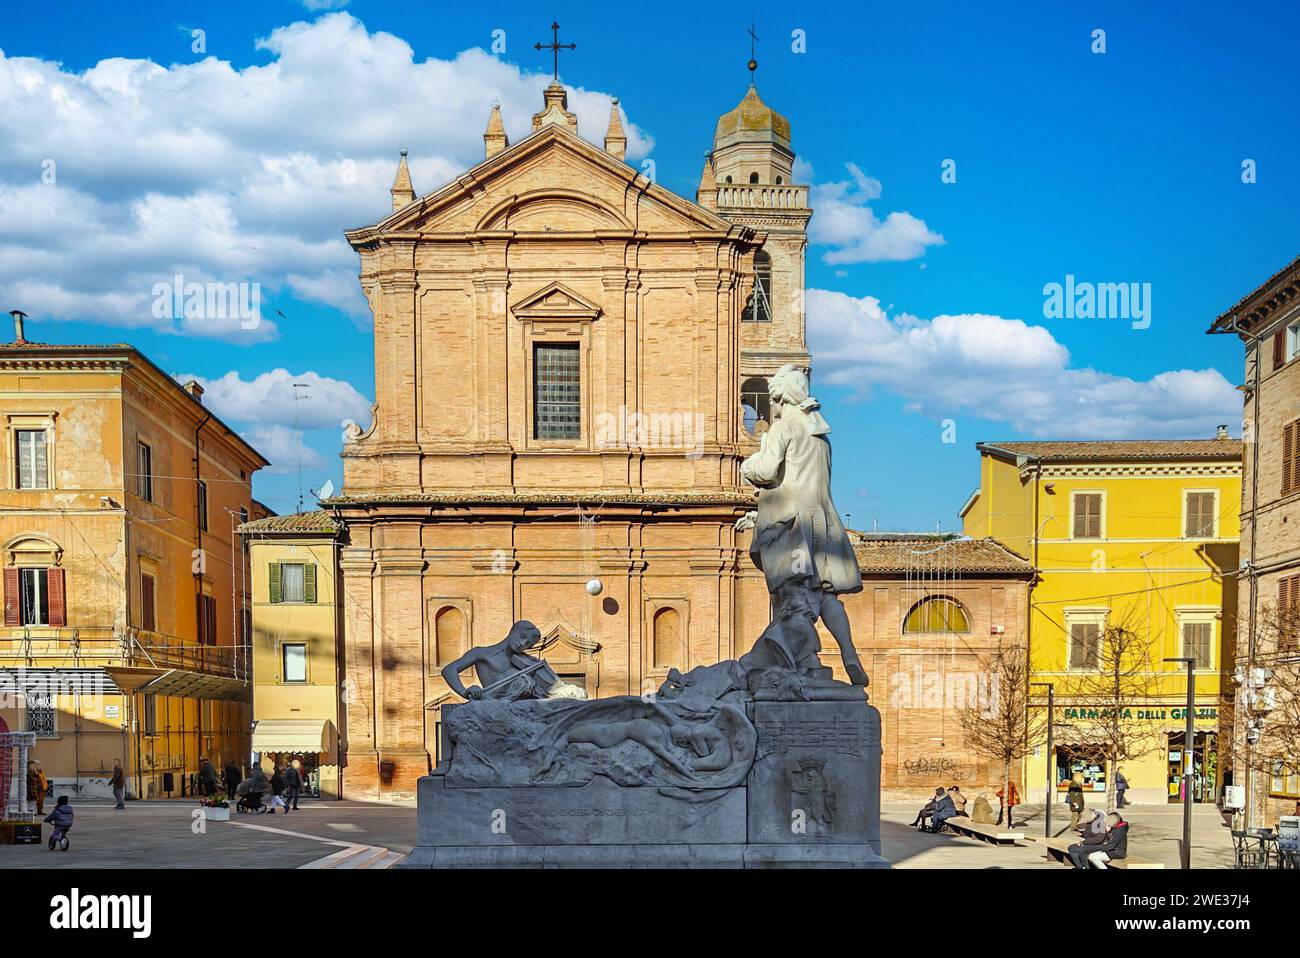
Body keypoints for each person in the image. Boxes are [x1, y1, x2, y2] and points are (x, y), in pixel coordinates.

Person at [737, 365, 867, 686]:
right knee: (824, 595)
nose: (772, 405)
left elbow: (767, 473)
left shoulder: (783, 430)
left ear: (781, 397)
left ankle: (804, 658)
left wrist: (748, 464)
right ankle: (847, 652)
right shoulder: (821, 438)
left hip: (790, 525)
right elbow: (801, 481)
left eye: (772, 399)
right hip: (822, 524)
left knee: (793, 597)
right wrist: (758, 514)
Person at [441, 620, 587, 702]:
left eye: (528, 644)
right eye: (522, 636)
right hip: (495, 698)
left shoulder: (525, 661)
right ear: (513, 630)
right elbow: (449, 670)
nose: (523, 644)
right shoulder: (482, 653)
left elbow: (550, 685)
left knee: (576, 693)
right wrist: (465, 691)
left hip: (525, 700)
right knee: (525, 680)